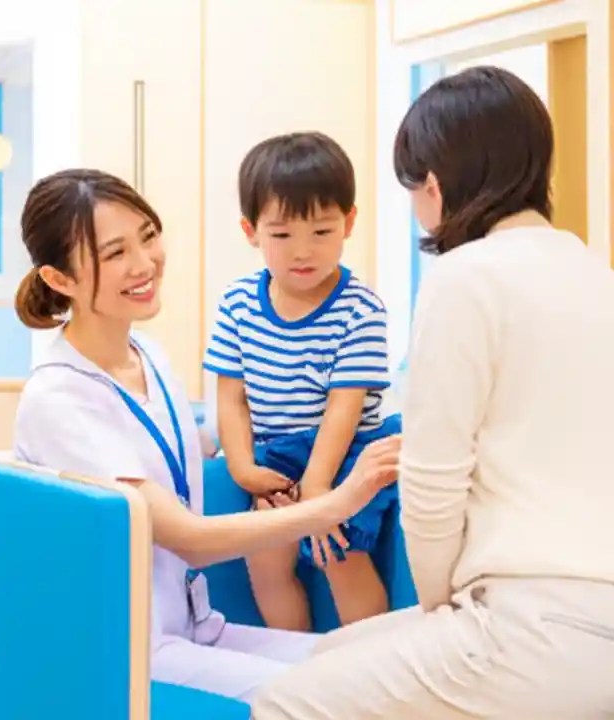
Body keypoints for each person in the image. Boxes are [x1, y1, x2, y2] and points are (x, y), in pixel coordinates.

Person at [252, 66, 614, 717]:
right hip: (587, 620)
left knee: (283, 701)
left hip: (531, 621)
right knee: (326, 656)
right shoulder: (598, 275)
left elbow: (432, 486)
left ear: (434, 185)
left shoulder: (464, 277)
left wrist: (440, 609)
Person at [11, 168, 400, 701]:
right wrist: (338, 501)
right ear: (60, 280)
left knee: (382, 665)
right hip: (130, 649)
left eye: (148, 237)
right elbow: (190, 541)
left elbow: (177, 446)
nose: (145, 263)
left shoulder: (148, 356)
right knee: (345, 695)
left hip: (197, 626)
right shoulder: (59, 397)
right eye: (115, 253)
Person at [203, 132, 399, 631]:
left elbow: (344, 408)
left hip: (346, 451)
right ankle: (294, 659)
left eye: (322, 231)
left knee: (339, 548)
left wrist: (318, 489)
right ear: (251, 231)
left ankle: (368, 660)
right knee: (265, 556)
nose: (303, 251)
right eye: (282, 235)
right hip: (276, 454)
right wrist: (244, 466)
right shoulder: (238, 303)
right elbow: (231, 398)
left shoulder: (361, 309)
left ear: (349, 223)